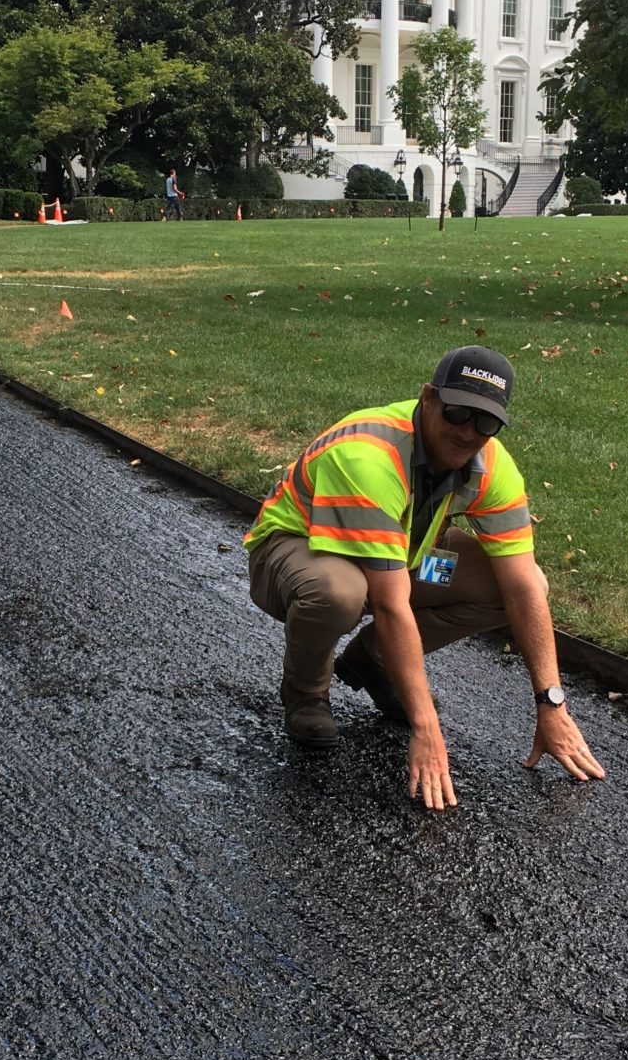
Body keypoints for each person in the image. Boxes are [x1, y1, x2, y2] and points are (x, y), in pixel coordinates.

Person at [244, 346, 604, 810]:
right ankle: (306, 691)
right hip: (298, 549)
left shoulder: (491, 465)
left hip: (400, 551)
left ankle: (373, 662)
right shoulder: (367, 456)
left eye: (486, 422)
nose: (468, 432)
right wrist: (426, 726)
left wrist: (551, 704)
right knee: (340, 593)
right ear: (428, 397)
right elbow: (390, 602)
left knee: (522, 583)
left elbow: (522, 588)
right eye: (458, 412)